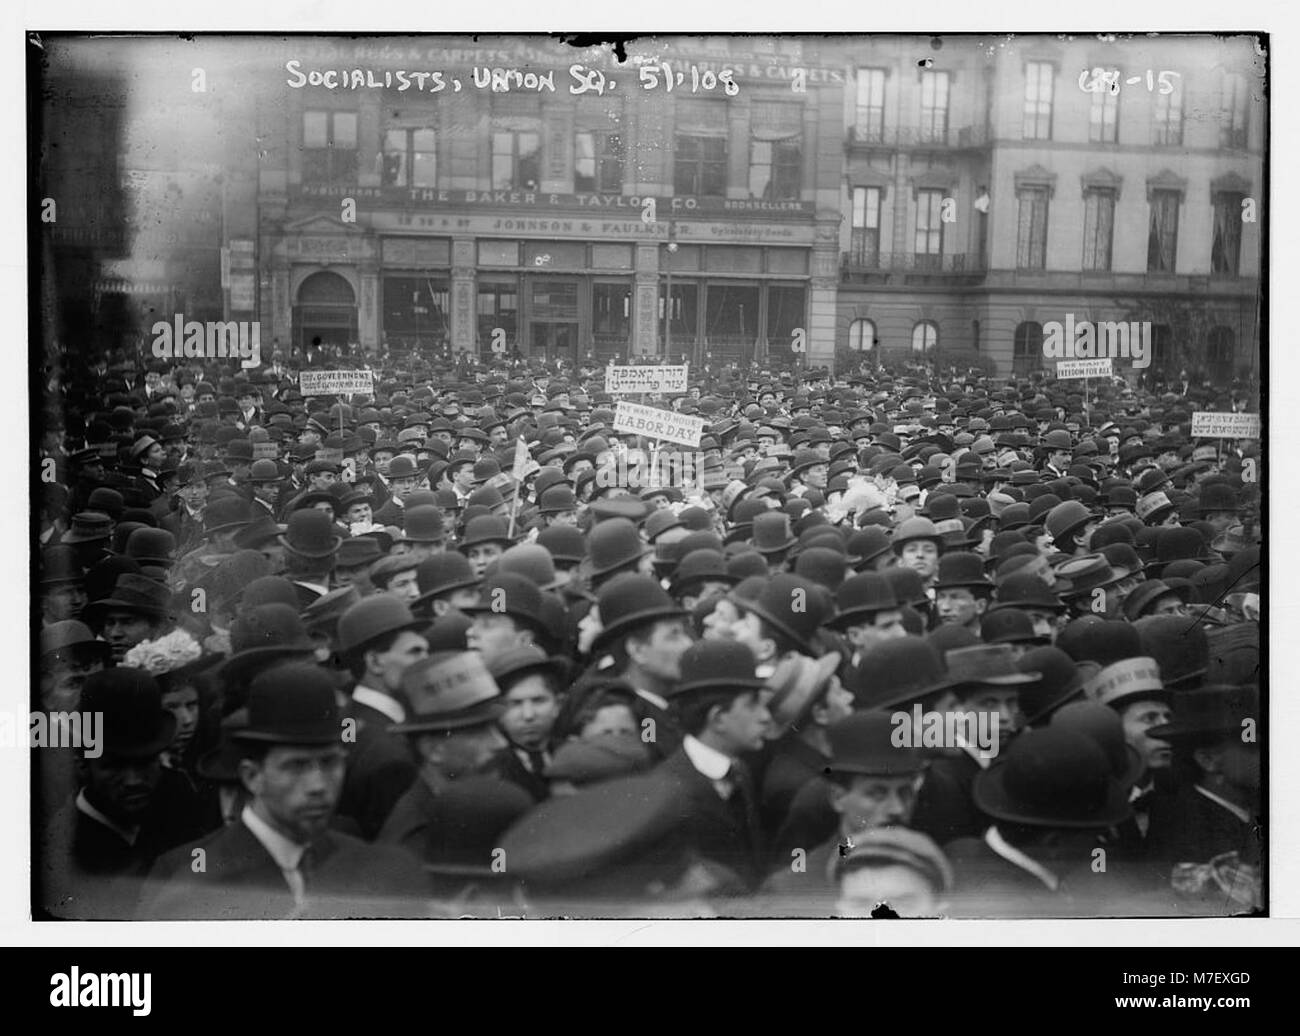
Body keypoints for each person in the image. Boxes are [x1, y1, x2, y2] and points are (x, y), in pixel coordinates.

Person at [139, 663, 429, 919]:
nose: (318, 786)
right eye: (296, 766)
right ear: (253, 777)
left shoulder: (387, 872)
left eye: (330, 763)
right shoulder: (191, 891)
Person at [334, 596, 430, 839]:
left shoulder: (348, 720)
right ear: (375, 662)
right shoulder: (392, 757)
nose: (426, 662)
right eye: (414, 652)